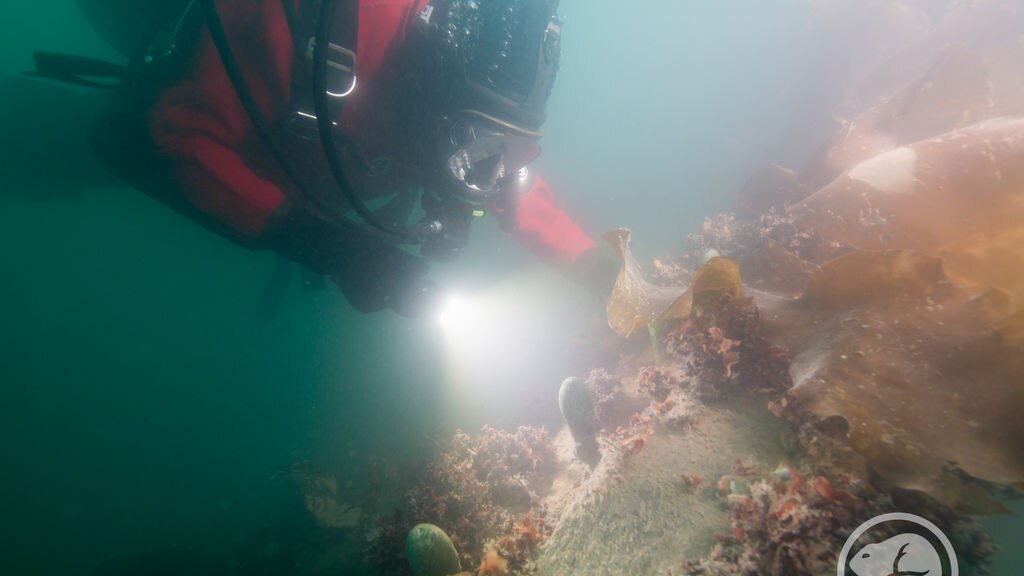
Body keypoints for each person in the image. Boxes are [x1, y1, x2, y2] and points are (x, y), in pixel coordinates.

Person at [58, 0, 617, 317]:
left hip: (295, 169)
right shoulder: (307, 26)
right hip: (174, 89)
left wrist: (600, 271)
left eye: (511, 149)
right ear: (430, 89)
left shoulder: (473, 113)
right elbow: (177, 136)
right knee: (57, 141)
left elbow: (507, 176)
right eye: (478, 150)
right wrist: (329, 247)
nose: (484, 182)